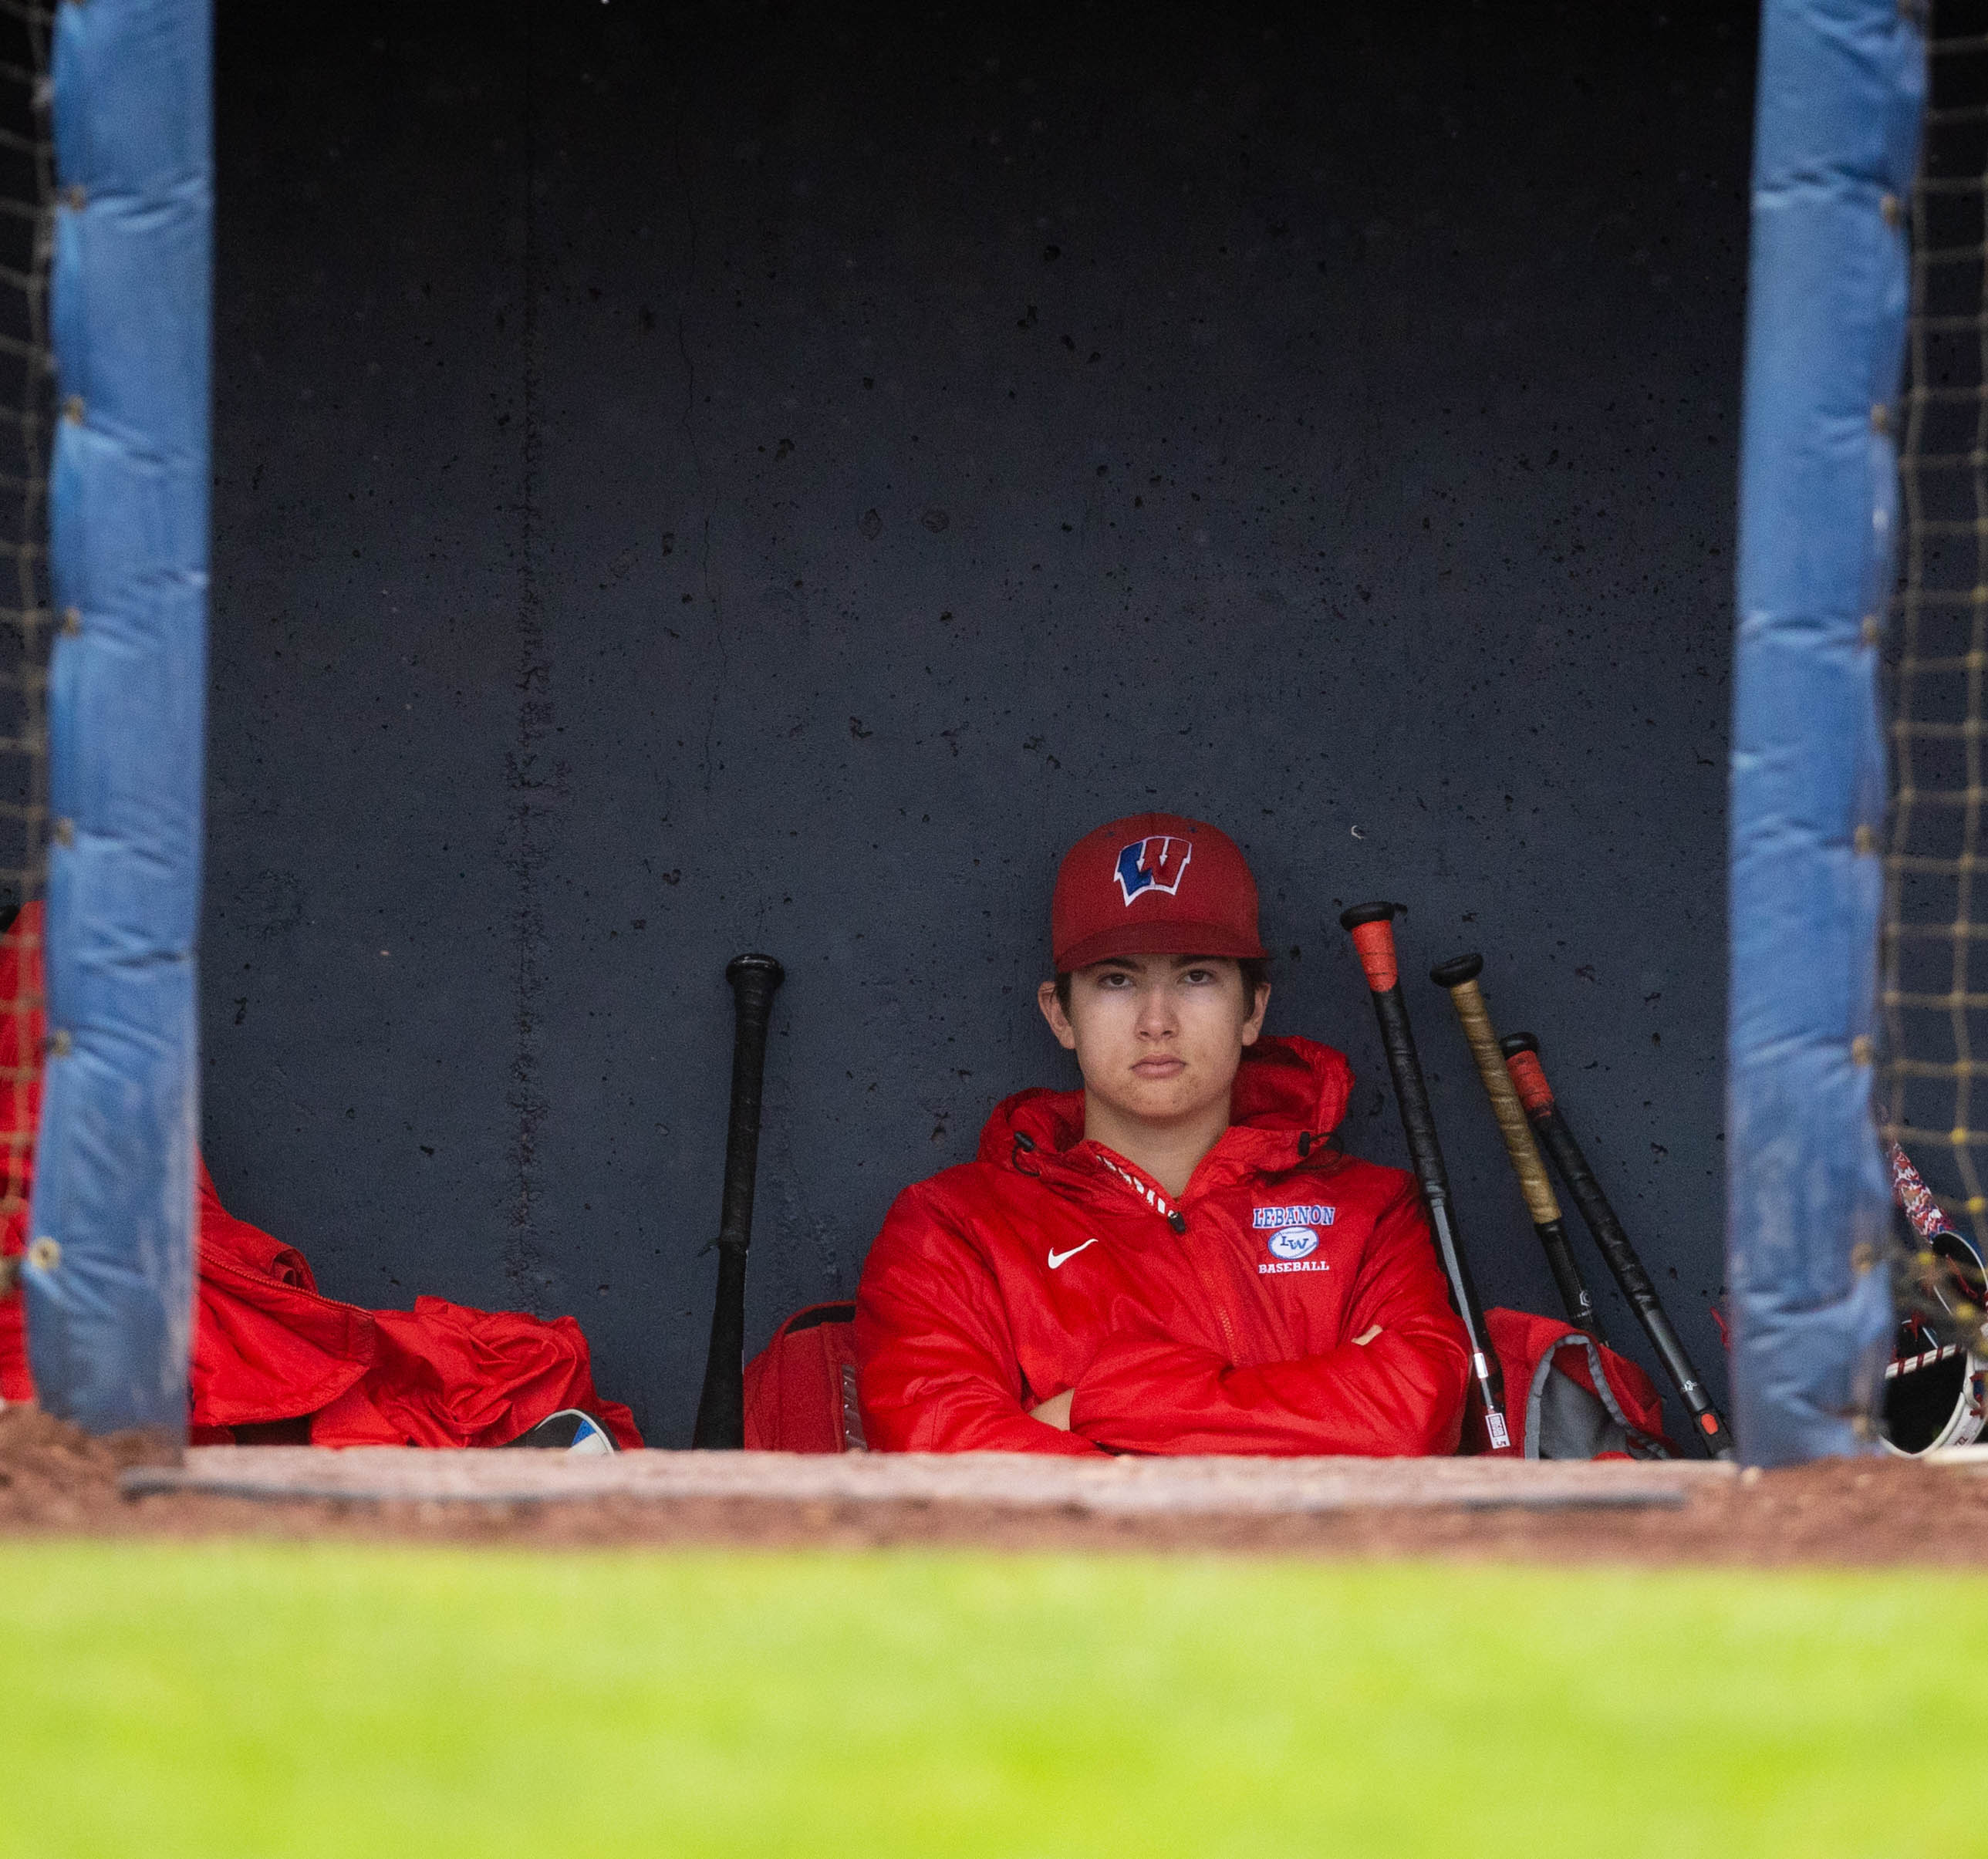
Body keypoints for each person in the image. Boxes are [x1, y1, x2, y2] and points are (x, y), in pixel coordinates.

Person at [854, 812, 1472, 1456]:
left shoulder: (1368, 1211)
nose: (1156, 1021)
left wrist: (1092, 1406)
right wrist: (1315, 1403)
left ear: (1252, 1008)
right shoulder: (952, 1228)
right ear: (1059, 1014)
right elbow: (952, 1473)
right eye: (1116, 981)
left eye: (1195, 976)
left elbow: (1410, 1418)